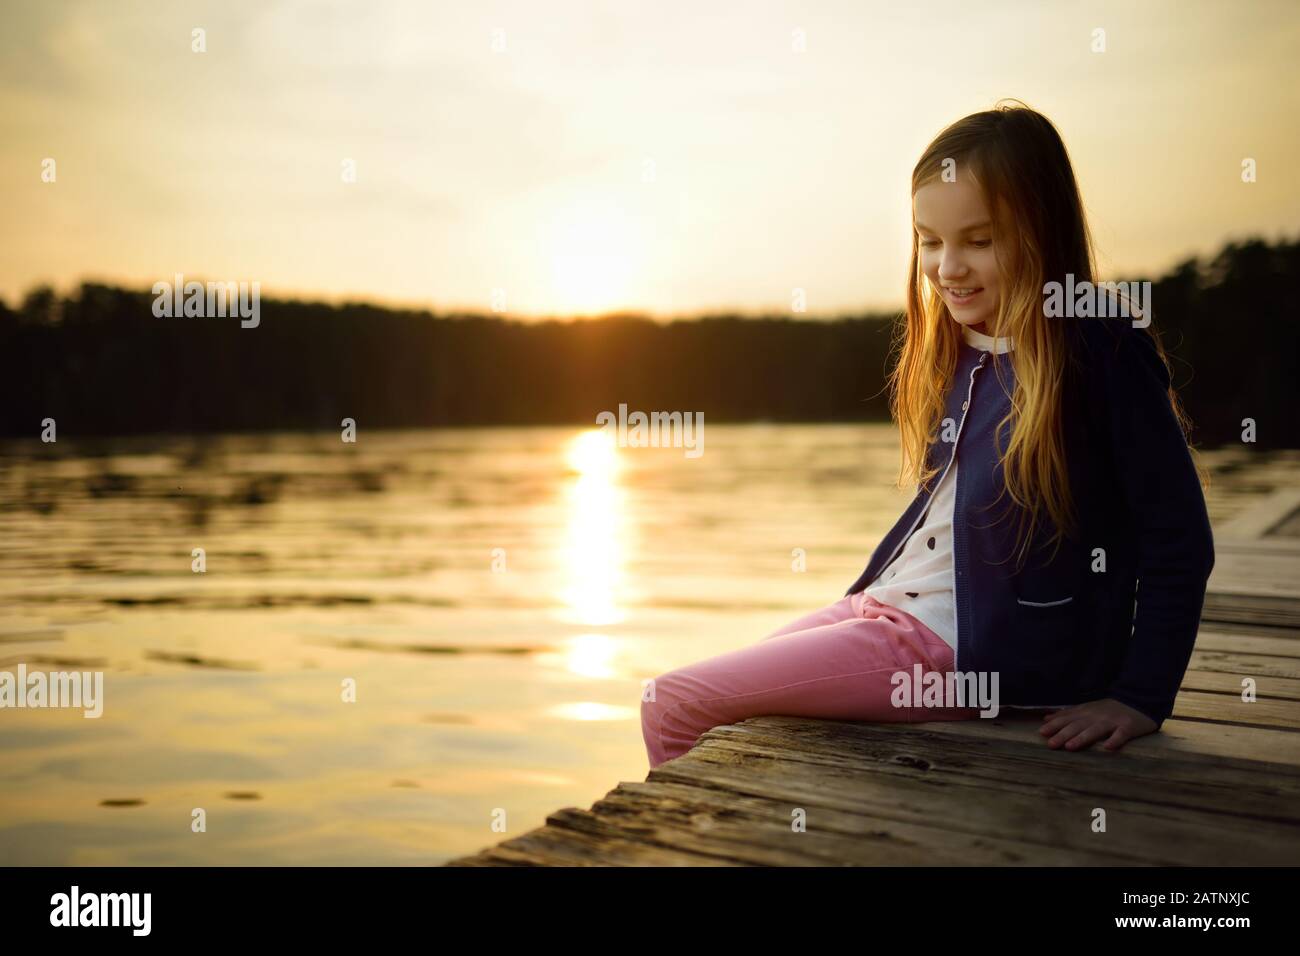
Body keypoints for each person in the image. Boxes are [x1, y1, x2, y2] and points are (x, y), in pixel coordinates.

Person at [640, 100, 1215, 770]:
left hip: (964, 650)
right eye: (930, 240)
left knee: (672, 701)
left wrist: (1141, 697)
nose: (948, 267)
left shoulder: (1099, 349)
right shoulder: (961, 349)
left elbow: (1179, 540)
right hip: (889, 607)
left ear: (1043, 231)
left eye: (980, 239)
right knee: (736, 705)